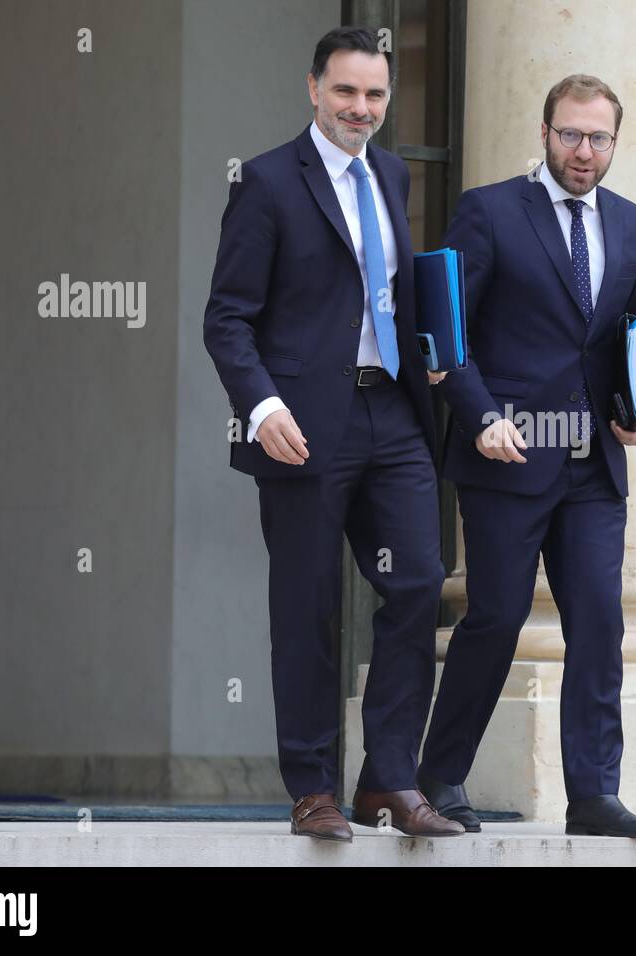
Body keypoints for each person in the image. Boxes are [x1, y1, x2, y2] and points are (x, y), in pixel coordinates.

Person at [202, 26, 461, 841]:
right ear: (313, 88)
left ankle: (389, 777)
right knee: (307, 606)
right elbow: (227, 318)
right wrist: (265, 408)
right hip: (305, 425)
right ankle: (313, 787)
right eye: (346, 91)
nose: (361, 108)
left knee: (419, 584)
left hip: (392, 414)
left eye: (376, 94)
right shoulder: (269, 182)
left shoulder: (390, 173)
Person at [417, 74, 636, 838]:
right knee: (493, 617)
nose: (584, 152)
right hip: (508, 454)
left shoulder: (632, 224)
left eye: (599, 138)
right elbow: (445, 330)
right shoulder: (491, 211)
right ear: (544, 132)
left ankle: (594, 795)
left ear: (615, 143)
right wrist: (481, 416)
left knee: (598, 621)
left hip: (593, 463)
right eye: (570, 135)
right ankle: (441, 775)